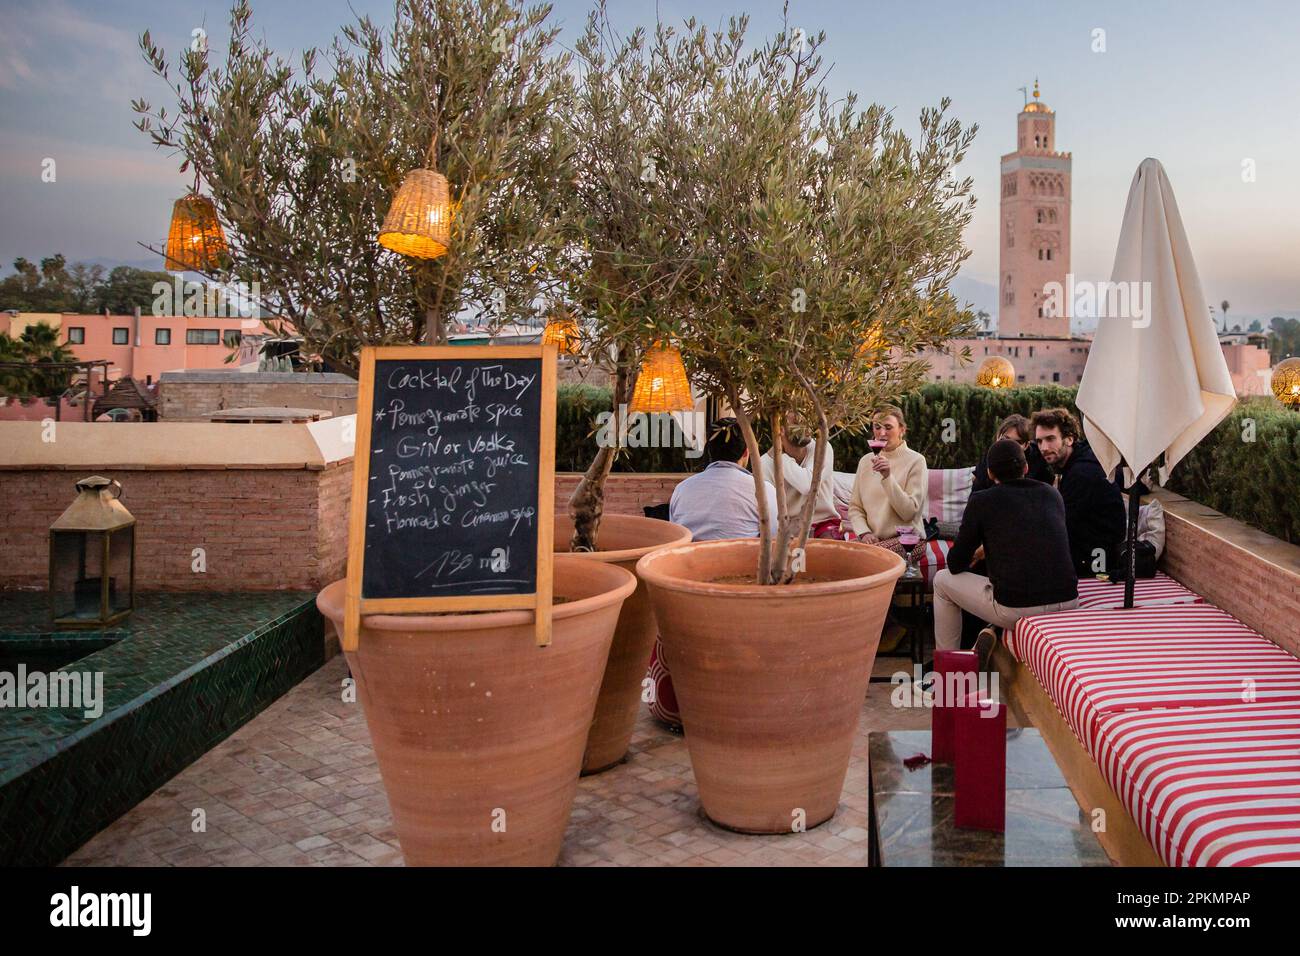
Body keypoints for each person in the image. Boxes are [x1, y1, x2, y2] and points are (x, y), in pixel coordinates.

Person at [932, 439, 1079, 666]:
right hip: (1068, 599)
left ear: (990, 473)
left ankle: (949, 672)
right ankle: (991, 632)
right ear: (1026, 468)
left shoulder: (982, 500)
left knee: (942, 581)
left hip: (1017, 607)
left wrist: (980, 551)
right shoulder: (1051, 494)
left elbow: (955, 563)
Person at [1031, 407, 1126, 578]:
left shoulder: (1081, 473)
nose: (1044, 447)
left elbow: (1061, 526)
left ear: (1069, 439)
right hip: (1092, 551)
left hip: (1097, 563)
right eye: (1039, 441)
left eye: (1050, 439)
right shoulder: (1081, 459)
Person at [669, 417, 777, 541]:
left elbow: (676, 538)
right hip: (740, 559)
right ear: (746, 453)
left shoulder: (682, 489)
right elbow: (774, 539)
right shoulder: (763, 491)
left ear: (709, 450)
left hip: (688, 559)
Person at [845, 404, 927, 558]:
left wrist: (888, 477)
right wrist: (865, 533)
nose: (882, 433)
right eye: (877, 427)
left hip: (908, 539)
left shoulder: (916, 461)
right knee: (840, 556)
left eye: (888, 427)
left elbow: (909, 513)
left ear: (902, 429)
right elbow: (855, 507)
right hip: (873, 539)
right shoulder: (865, 461)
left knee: (868, 557)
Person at [758, 419, 839, 539]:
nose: (806, 426)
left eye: (807, 419)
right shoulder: (764, 463)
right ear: (780, 429)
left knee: (828, 550)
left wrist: (779, 456)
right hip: (787, 529)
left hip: (823, 523)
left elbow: (808, 484)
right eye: (796, 422)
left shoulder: (822, 448)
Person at [971, 413, 1053, 493]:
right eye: (1004, 440)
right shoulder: (990, 458)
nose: (1009, 445)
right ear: (997, 437)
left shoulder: (1039, 460)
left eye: (1017, 442)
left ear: (1026, 445)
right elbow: (977, 494)